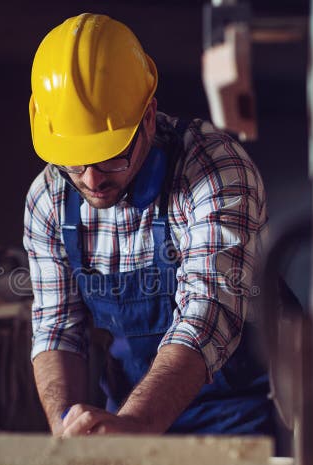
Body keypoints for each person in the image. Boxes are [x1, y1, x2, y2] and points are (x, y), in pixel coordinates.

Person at [23, 13, 272, 437]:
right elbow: (57, 329)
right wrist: (68, 431)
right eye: (74, 161)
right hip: (127, 422)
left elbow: (207, 313)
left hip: (238, 420)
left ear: (149, 118)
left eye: (110, 155)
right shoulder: (49, 197)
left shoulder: (216, 168)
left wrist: (136, 423)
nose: (91, 179)